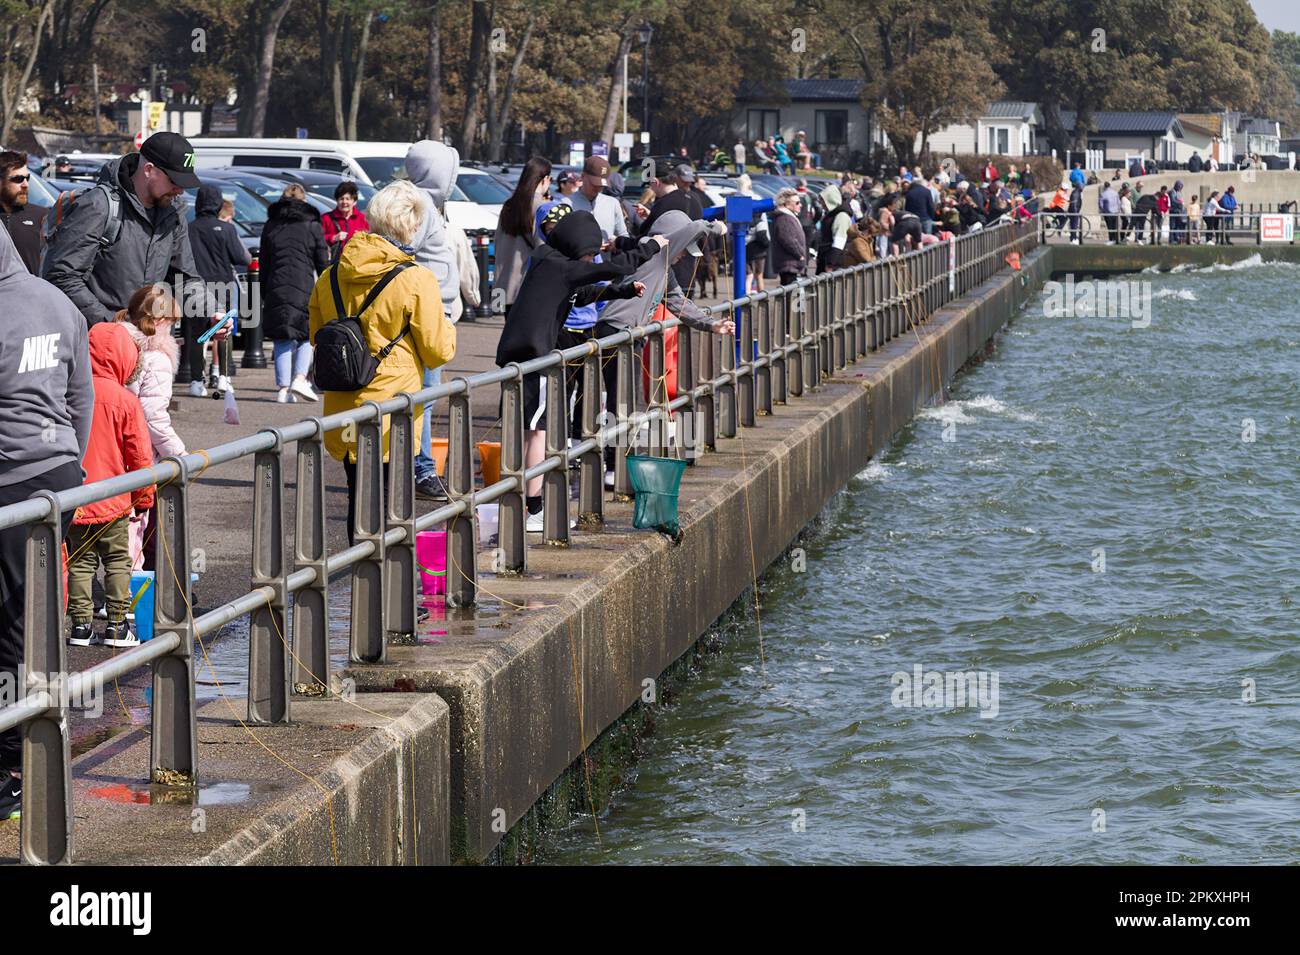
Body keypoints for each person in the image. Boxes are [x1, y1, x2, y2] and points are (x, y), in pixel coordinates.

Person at [0, 224, 92, 820]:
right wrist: (72, 467)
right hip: (57, 476)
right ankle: (27, 748)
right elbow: (80, 396)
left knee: (9, 621)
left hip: (8, 479)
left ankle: (10, 761)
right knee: (29, 614)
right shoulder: (58, 302)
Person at [308, 180, 457, 541]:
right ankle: (385, 588)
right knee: (392, 507)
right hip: (395, 413)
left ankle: (363, 583)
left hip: (343, 407)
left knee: (358, 499)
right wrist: (449, 328)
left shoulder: (331, 276)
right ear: (411, 224)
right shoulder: (416, 278)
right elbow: (438, 350)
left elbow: (317, 336)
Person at [495, 209, 658, 529]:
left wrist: (623, 290)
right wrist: (650, 246)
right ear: (577, 247)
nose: (589, 263)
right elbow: (615, 267)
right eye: (588, 256)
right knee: (537, 431)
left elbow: (582, 294)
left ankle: (525, 504)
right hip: (533, 356)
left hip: (518, 353)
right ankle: (534, 508)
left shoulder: (547, 258)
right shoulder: (562, 266)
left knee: (526, 429)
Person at [595, 210, 732, 484]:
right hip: (616, 332)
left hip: (630, 334)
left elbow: (678, 303)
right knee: (620, 399)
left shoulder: (664, 268)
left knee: (626, 399)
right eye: (683, 249)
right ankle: (613, 466)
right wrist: (717, 227)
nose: (684, 256)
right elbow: (694, 226)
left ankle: (619, 461)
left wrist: (710, 324)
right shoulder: (654, 254)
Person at [42, 132, 221, 338]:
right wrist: (114, 326)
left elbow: (185, 280)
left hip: (146, 343)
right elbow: (61, 276)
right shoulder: (99, 205)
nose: (180, 190)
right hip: (97, 346)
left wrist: (211, 313)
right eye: (174, 181)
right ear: (149, 170)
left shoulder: (173, 215)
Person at [67, 321, 155, 649]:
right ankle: (117, 627)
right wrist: (144, 498)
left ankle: (80, 627)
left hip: (76, 497)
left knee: (79, 562)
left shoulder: (70, 392)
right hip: (115, 499)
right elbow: (140, 456)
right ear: (124, 358)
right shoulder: (125, 400)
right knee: (117, 561)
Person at [406, 139, 463, 500]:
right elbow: (406, 253)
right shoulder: (421, 206)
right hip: (426, 313)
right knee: (423, 396)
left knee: (423, 396)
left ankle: (416, 464)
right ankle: (421, 468)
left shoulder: (427, 204)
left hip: (434, 310)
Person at [117, 285, 185, 574]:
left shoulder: (119, 346)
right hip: (141, 454)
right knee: (142, 524)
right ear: (159, 321)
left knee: (117, 527)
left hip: (112, 448)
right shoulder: (156, 358)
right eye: (172, 322)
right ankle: (136, 591)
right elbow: (153, 416)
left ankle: (116, 586)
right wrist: (180, 453)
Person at [261, 183, 329, 403]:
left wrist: (265, 289)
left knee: (282, 337)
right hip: (304, 285)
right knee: (306, 335)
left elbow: (264, 261)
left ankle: (283, 388)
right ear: (304, 201)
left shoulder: (271, 225)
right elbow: (321, 260)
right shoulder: (312, 225)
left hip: (276, 286)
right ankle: (299, 378)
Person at [186, 182, 250, 397]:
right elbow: (241, 258)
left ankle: (196, 381)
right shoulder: (227, 229)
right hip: (222, 284)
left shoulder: (189, 228)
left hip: (194, 285)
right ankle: (223, 377)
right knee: (223, 332)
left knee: (196, 334)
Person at [493, 156, 552, 318]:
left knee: (509, 338)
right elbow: (543, 249)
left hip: (506, 287)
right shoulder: (542, 207)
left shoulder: (508, 205)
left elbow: (498, 244)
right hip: (529, 288)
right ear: (545, 179)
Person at [561, 156, 627, 245]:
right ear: (583, 176)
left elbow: (623, 235)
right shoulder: (565, 204)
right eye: (594, 184)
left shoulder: (613, 203)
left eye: (601, 185)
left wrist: (617, 244)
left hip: (607, 258)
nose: (598, 188)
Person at [0, 150, 45, 274]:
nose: (25, 184)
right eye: (18, 179)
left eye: (27, 178)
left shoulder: (42, 216)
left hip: (33, 291)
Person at [321, 181, 370, 258]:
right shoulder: (326, 218)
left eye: (348, 199)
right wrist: (333, 237)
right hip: (334, 262)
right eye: (341, 199)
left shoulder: (363, 218)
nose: (344, 202)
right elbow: (317, 239)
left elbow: (372, 239)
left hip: (356, 261)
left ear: (354, 202)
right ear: (337, 201)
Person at [771, 187, 808, 284]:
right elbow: (788, 240)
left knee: (792, 294)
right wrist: (800, 255)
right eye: (797, 203)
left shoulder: (788, 216)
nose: (800, 205)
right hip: (788, 265)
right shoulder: (784, 219)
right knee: (790, 295)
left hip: (791, 264)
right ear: (786, 204)